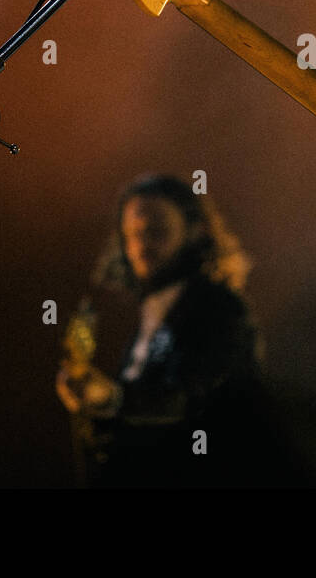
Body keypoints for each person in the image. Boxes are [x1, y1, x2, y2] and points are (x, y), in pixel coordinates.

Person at [55, 174, 264, 487]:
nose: (141, 244)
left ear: (195, 231)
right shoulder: (153, 314)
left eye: (157, 230)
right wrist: (97, 406)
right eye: (132, 233)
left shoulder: (220, 309)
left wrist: (112, 397)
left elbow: (198, 399)